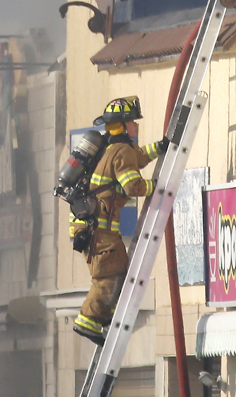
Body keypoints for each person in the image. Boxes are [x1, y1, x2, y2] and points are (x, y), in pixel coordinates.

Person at [71, 96, 169, 344]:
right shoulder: (121, 151)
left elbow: (139, 156)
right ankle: (88, 321)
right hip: (99, 231)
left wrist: (161, 147)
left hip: (95, 229)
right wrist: (158, 186)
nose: (136, 125)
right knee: (108, 277)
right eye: (133, 122)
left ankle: (105, 318)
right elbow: (133, 186)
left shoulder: (112, 148)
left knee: (119, 273)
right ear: (124, 126)